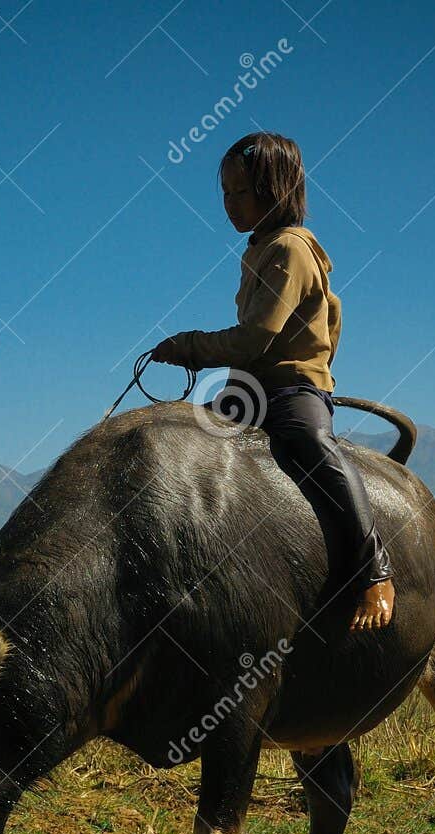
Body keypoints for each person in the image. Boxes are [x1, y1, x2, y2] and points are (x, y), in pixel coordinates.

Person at [150, 131, 394, 629]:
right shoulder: (257, 250)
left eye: (242, 192)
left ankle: (374, 569)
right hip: (248, 388)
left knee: (311, 444)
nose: (230, 203)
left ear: (276, 190)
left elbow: (256, 337)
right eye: (225, 192)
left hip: (290, 388)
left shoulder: (290, 249)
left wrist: (189, 346)